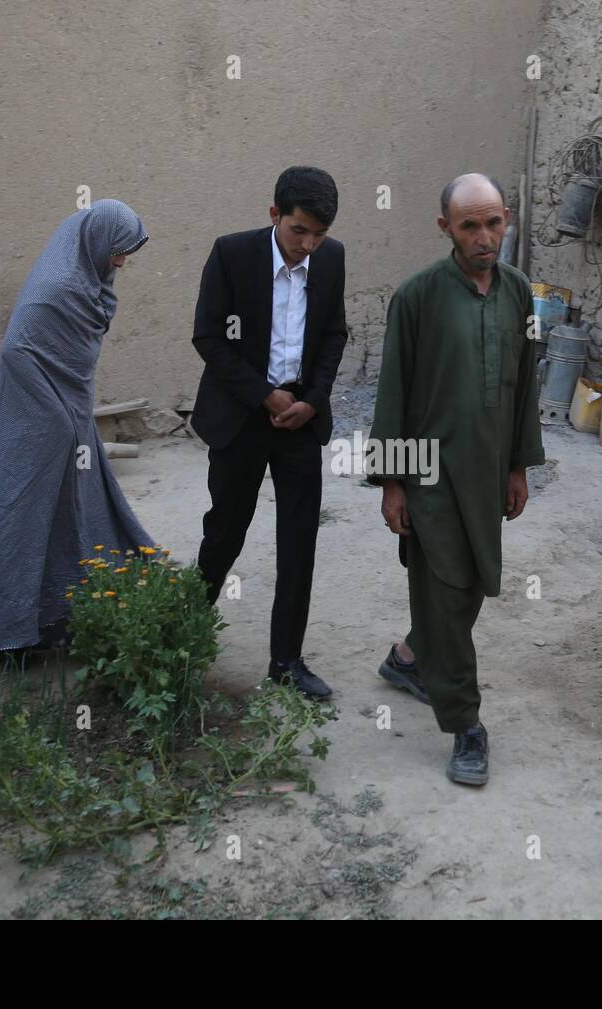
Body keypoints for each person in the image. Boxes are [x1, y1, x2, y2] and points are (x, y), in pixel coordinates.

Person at [369, 173, 545, 785]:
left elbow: (525, 386)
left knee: (469, 585)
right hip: (430, 473)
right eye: (469, 225)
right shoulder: (416, 297)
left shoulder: (521, 294)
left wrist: (519, 464)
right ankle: (466, 726)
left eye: (494, 222)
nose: (485, 236)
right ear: (445, 227)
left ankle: (409, 657)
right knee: (445, 588)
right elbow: (394, 391)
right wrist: (393, 481)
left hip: (488, 470)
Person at [0, 199, 154, 657]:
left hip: (68, 424)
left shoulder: (90, 283)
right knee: (22, 517)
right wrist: (52, 412)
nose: (122, 260)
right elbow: (17, 352)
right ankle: (9, 637)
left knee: (72, 515)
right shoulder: (57, 288)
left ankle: (59, 621)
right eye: (119, 250)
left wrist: (69, 417)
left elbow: (74, 358)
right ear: (96, 241)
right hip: (30, 428)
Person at [190, 167, 348, 699]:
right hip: (241, 417)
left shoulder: (332, 259)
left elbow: (333, 335)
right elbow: (209, 337)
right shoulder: (232, 254)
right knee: (225, 533)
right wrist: (263, 393)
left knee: (298, 541)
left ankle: (287, 662)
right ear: (274, 214)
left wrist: (312, 400)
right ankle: (183, 638)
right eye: (299, 231)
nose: (308, 245)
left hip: (300, 421)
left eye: (319, 235)